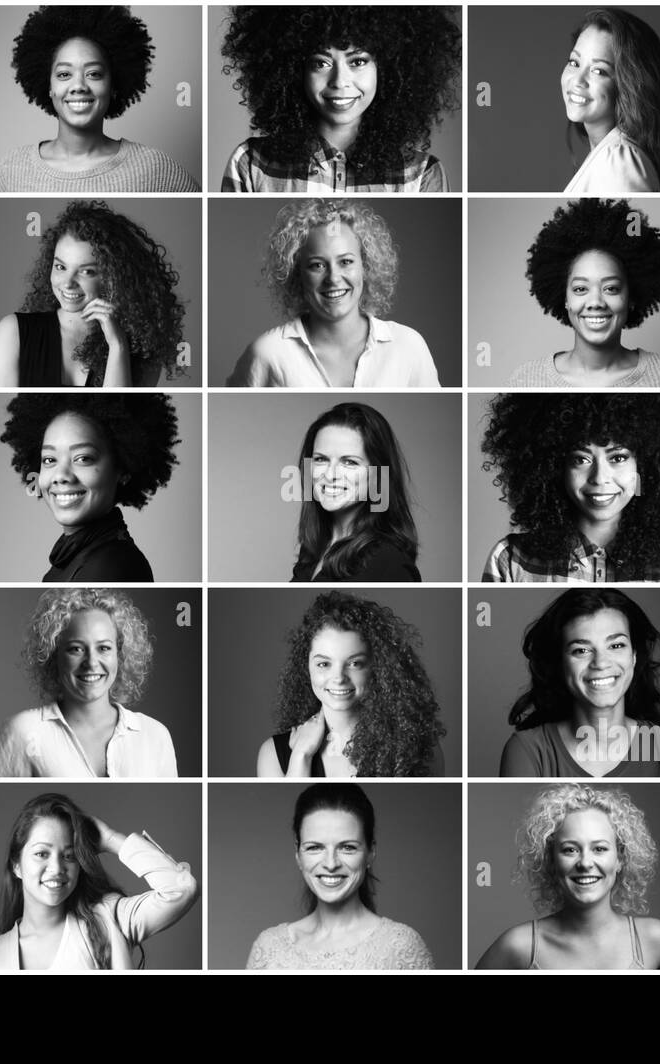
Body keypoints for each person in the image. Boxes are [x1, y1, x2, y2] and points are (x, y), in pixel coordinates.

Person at [480, 393, 660, 582]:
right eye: (581, 459)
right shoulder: (511, 559)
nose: (599, 478)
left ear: (645, 469)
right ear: (554, 469)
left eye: (618, 458)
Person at [220, 6, 460, 193]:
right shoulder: (252, 164)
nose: (339, 81)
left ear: (387, 69)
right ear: (295, 71)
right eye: (321, 63)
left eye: (357, 61)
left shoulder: (422, 175)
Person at [476, 784, 660, 969]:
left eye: (599, 848)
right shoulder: (519, 945)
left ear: (620, 858)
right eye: (570, 849)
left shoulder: (654, 939)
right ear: (550, 860)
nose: (585, 863)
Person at [0, 588, 176, 777]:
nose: (91, 662)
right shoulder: (25, 731)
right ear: (54, 656)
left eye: (104, 648)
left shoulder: (155, 735)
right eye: (76, 649)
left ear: (120, 654)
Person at [0, 793, 197, 970]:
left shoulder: (109, 919)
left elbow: (182, 888)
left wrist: (110, 840)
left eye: (69, 856)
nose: (57, 868)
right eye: (42, 853)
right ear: (16, 865)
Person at [228, 200, 440, 388]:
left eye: (346, 262)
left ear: (366, 266)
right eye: (317, 265)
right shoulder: (268, 353)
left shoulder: (408, 346)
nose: (334, 278)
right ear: (296, 273)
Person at [0, 6, 199, 193]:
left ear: (113, 85)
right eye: (64, 74)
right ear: (48, 86)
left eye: (94, 74)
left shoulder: (153, 167)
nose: (78, 86)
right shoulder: (12, 170)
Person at [500, 589, 660, 777]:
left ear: (634, 656)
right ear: (561, 663)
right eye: (581, 650)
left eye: (616, 645)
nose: (601, 663)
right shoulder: (527, 750)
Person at [0, 200, 184, 388]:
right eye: (60, 266)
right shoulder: (13, 332)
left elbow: (117, 417)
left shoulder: (142, 352)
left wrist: (117, 346)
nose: (67, 283)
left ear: (113, 276)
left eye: (86, 271)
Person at [509, 198, 660, 387]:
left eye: (611, 289)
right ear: (565, 298)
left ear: (631, 297)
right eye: (580, 289)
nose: (595, 302)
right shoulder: (525, 380)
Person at [246, 783, 434, 969]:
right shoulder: (269, 948)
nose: (330, 864)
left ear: (370, 852)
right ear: (298, 854)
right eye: (314, 847)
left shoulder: (401, 948)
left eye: (347, 847)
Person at [258, 592, 444, 778]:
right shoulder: (273, 754)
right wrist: (300, 757)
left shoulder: (417, 748)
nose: (338, 677)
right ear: (306, 667)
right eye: (324, 664)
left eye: (355, 663)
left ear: (377, 667)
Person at [0, 394, 180, 582]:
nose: (61, 476)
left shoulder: (113, 565)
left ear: (123, 468)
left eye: (83, 458)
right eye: (49, 460)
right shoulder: (75, 558)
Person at [560, 9, 660, 193]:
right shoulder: (610, 156)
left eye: (598, 71)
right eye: (574, 63)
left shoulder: (619, 159)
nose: (577, 81)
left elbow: (631, 221)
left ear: (629, 84)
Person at [289, 403, 421, 582]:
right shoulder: (313, 548)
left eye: (349, 462)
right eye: (320, 459)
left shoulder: (389, 563)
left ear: (378, 473)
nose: (329, 475)